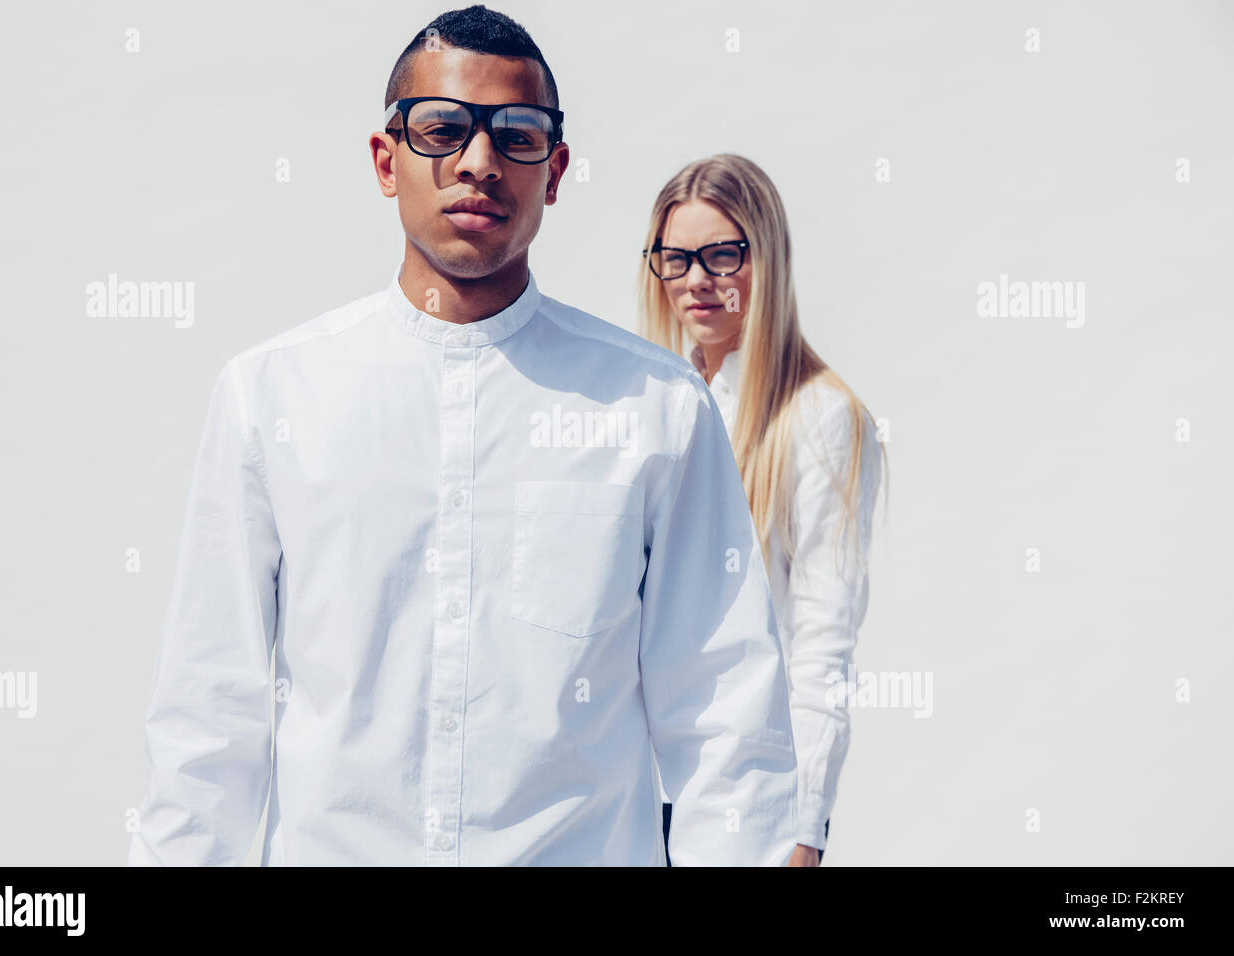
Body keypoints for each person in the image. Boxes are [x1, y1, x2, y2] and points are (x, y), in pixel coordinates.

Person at [127, 7, 802, 866]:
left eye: (516, 135)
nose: (479, 162)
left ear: (554, 172)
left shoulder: (655, 408)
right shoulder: (271, 398)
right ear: (386, 159)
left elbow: (726, 719)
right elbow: (206, 722)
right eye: (443, 129)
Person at [639, 155, 887, 867]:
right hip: (633, 794)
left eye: (721, 254)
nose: (695, 280)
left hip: (744, 808)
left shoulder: (820, 417)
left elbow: (821, 643)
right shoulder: (656, 403)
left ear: (767, 257)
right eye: (675, 257)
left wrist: (804, 834)